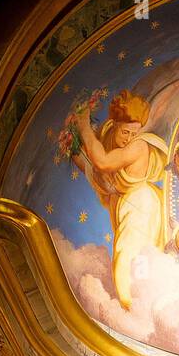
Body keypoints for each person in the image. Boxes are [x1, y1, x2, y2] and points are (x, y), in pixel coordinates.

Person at [74, 90, 168, 309]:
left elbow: (103, 163)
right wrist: (75, 148)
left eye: (134, 132)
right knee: (126, 252)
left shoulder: (139, 146)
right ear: (115, 125)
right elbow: (95, 172)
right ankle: (133, 304)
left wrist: (84, 127)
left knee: (128, 253)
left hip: (142, 205)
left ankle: (130, 305)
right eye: (125, 132)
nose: (129, 138)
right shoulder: (108, 138)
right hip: (128, 205)